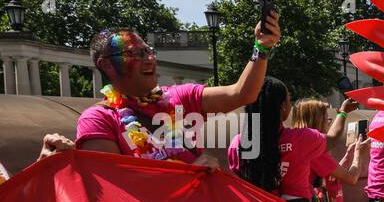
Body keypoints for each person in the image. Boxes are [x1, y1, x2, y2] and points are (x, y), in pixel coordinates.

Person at [74, 14, 281, 166]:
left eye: (149, 51)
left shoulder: (178, 97)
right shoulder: (98, 120)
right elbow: (113, 189)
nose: (150, 59)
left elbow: (242, 93)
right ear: (107, 65)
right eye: (136, 53)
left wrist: (261, 47)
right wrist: (183, 175)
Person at [227, 77, 370, 202]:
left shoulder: (237, 144)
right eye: (289, 100)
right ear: (283, 107)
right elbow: (332, 139)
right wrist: (343, 113)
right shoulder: (302, 139)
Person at [283, 98, 358, 202]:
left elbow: (331, 171)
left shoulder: (295, 141)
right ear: (316, 120)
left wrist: (348, 155)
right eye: (326, 119)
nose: (328, 123)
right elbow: (351, 178)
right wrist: (360, 152)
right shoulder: (310, 146)